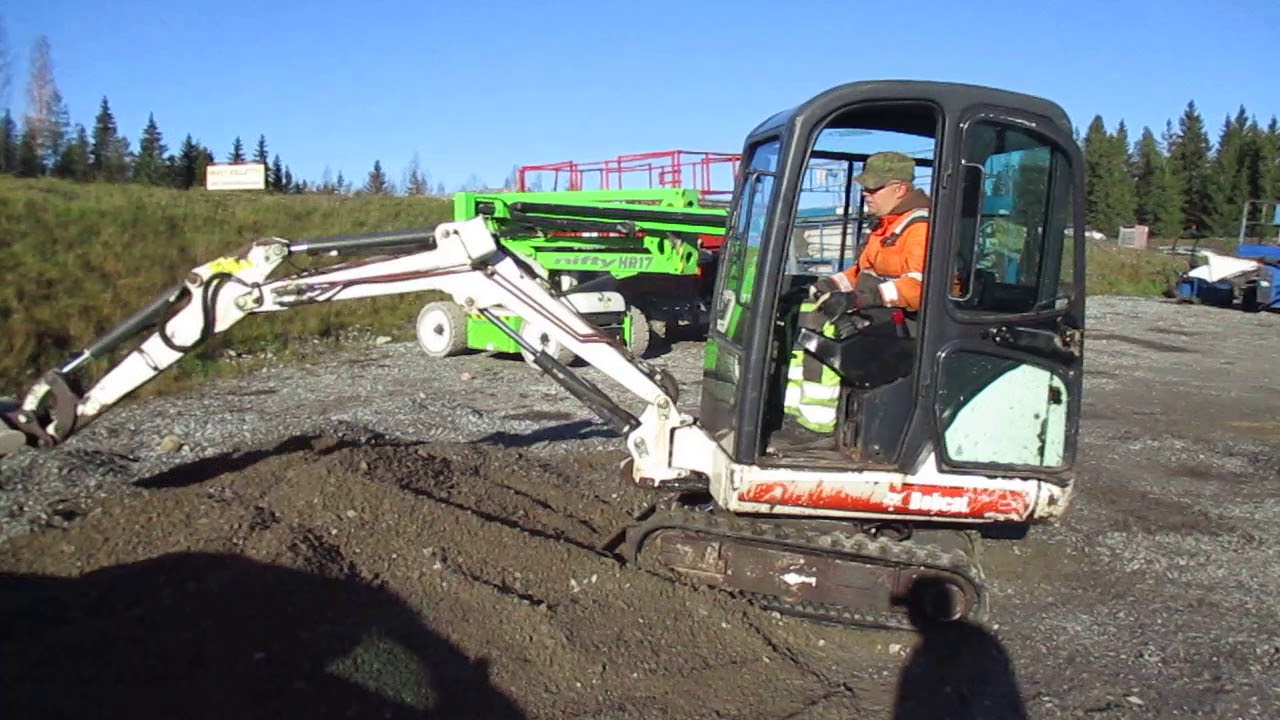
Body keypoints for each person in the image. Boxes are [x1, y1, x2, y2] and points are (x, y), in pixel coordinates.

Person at [780, 151, 931, 440]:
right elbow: (860, 271)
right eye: (864, 187)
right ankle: (795, 413)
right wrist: (828, 284)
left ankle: (817, 426)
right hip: (882, 315)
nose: (866, 194)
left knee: (828, 333)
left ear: (900, 189)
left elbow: (918, 287)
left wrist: (860, 300)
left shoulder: (919, 228)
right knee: (808, 312)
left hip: (905, 326)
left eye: (874, 188)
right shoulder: (887, 225)